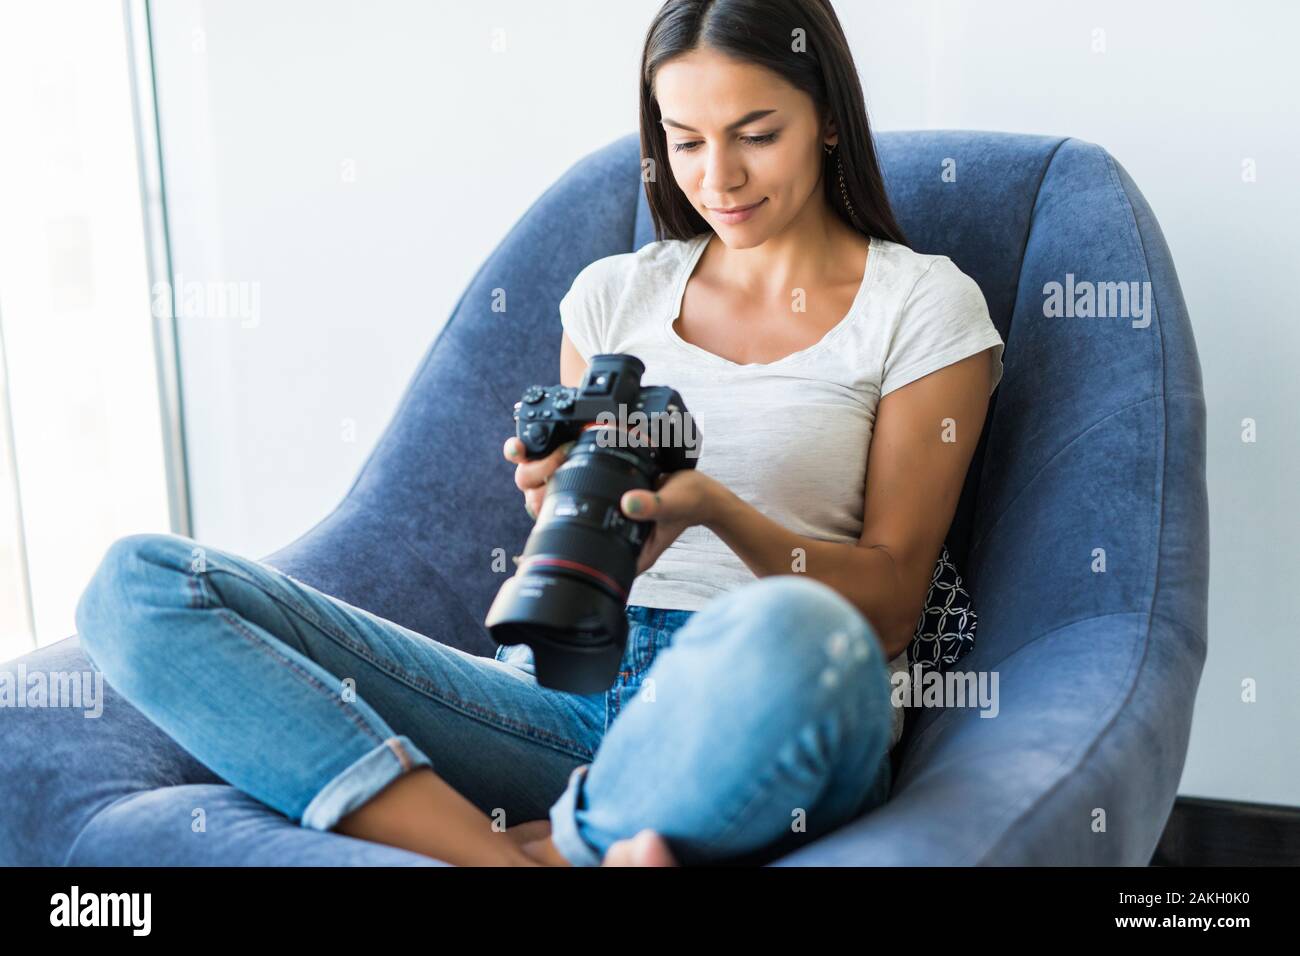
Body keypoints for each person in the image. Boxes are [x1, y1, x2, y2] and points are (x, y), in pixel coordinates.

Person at [75, 0, 1003, 868]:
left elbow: (887, 604)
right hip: (559, 693)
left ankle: (564, 841)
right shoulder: (613, 296)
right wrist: (570, 512)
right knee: (140, 585)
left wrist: (712, 509)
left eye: (756, 136)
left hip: (760, 696)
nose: (718, 178)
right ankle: (523, 856)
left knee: (801, 628)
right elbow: (582, 559)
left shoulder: (920, 306)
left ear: (829, 117)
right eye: (685, 142)